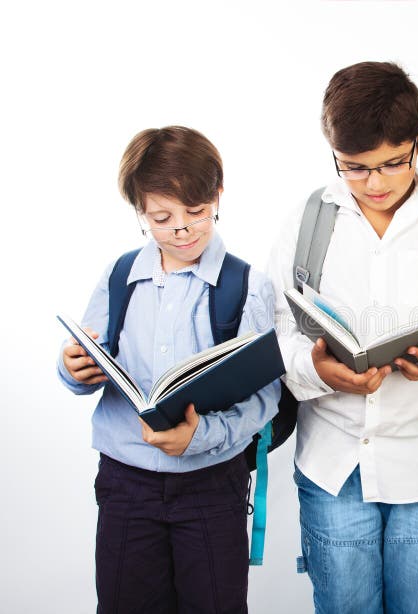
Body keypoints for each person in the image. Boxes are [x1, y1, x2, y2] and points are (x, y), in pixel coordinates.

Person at [268, 61, 418, 613]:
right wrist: (316, 369)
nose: (375, 183)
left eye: (393, 163)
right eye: (354, 167)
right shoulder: (307, 219)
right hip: (331, 462)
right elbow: (278, 324)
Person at [57, 126, 280, 613]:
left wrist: (200, 437)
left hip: (211, 487)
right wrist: (73, 368)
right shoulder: (120, 276)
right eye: (161, 218)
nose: (182, 230)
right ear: (139, 211)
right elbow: (89, 357)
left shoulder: (248, 286)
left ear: (218, 196)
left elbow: (264, 400)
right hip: (125, 485)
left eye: (196, 212)